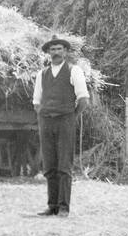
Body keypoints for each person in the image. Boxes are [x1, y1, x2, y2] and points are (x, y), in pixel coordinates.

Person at [33, 36, 90, 216]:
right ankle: (53, 206)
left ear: (65, 52)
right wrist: (45, 114)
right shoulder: (42, 74)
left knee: (64, 165)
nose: (56, 52)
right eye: (52, 50)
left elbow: (83, 100)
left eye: (59, 49)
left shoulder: (74, 71)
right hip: (46, 122)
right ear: (48, 53)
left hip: (66, 121)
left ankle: (64, 207)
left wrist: (71, 116)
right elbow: (36, 102)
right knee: (49, 164)